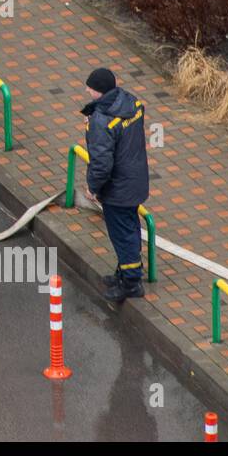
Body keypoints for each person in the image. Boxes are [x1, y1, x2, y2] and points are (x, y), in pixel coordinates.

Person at [81, 68, 150, 302]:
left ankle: (131, 282)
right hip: (135, 179)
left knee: (122, 234)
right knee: (130, 226)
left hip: (117, 188)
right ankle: (126, 271)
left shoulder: (102, 122)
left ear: (99, 92)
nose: (86, 90)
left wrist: (92, 187)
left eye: (89, 87)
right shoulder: (131, 103)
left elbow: (101, 163)